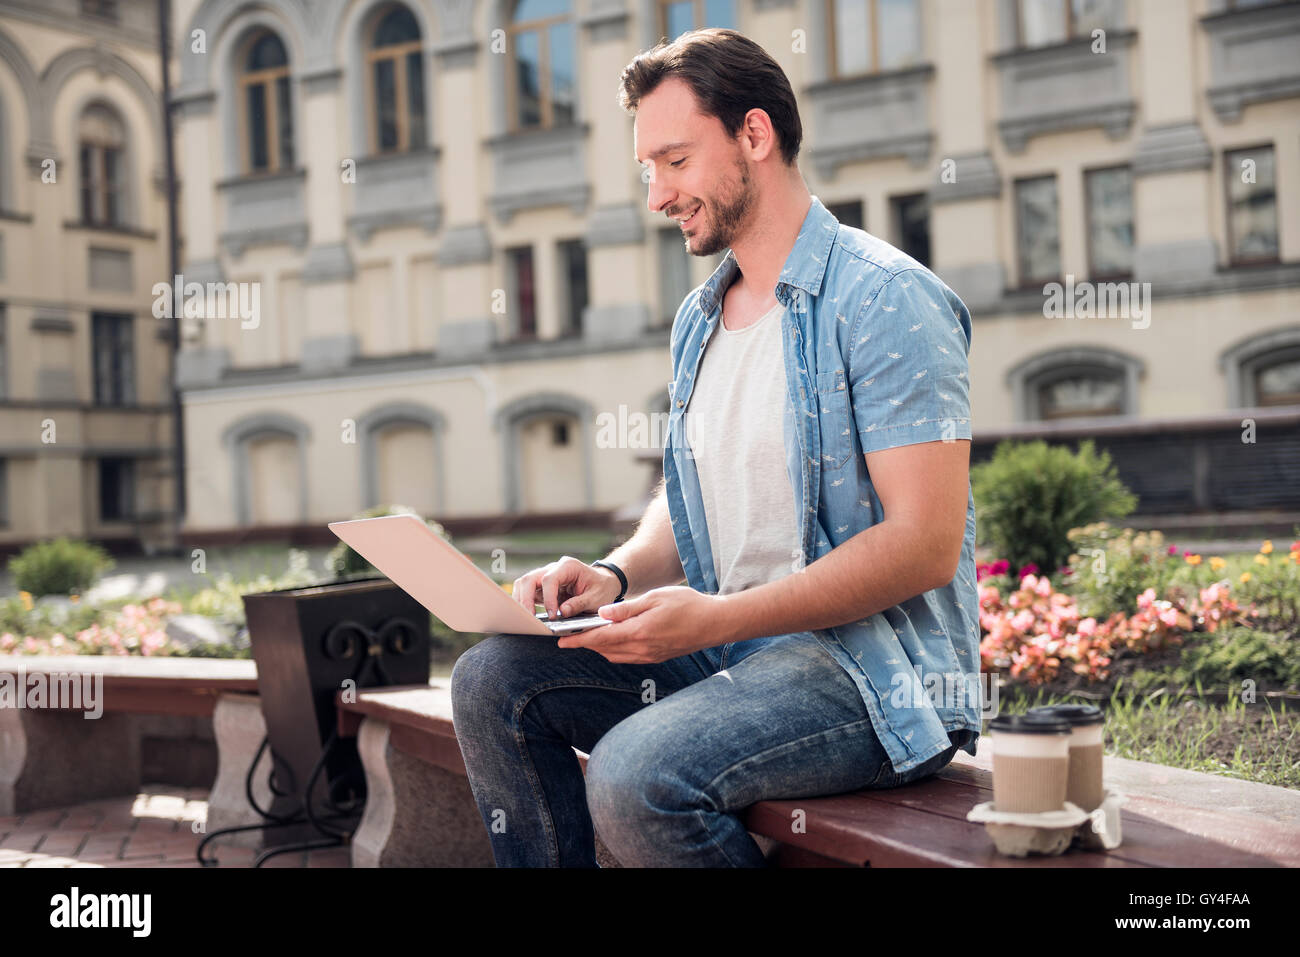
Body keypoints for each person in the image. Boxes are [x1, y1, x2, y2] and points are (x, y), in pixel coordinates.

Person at [450, 27, 982, 867]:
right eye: (646, 170)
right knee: (493, 679)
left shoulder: (886, 299)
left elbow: (924, 544)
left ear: (755, 135)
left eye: (675, 160)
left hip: (865, 672)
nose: (657, 194)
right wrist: (616, 575)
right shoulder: (701, 319)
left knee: (634, 776)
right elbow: (696, 497)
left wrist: (720, 615)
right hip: (733, 650)